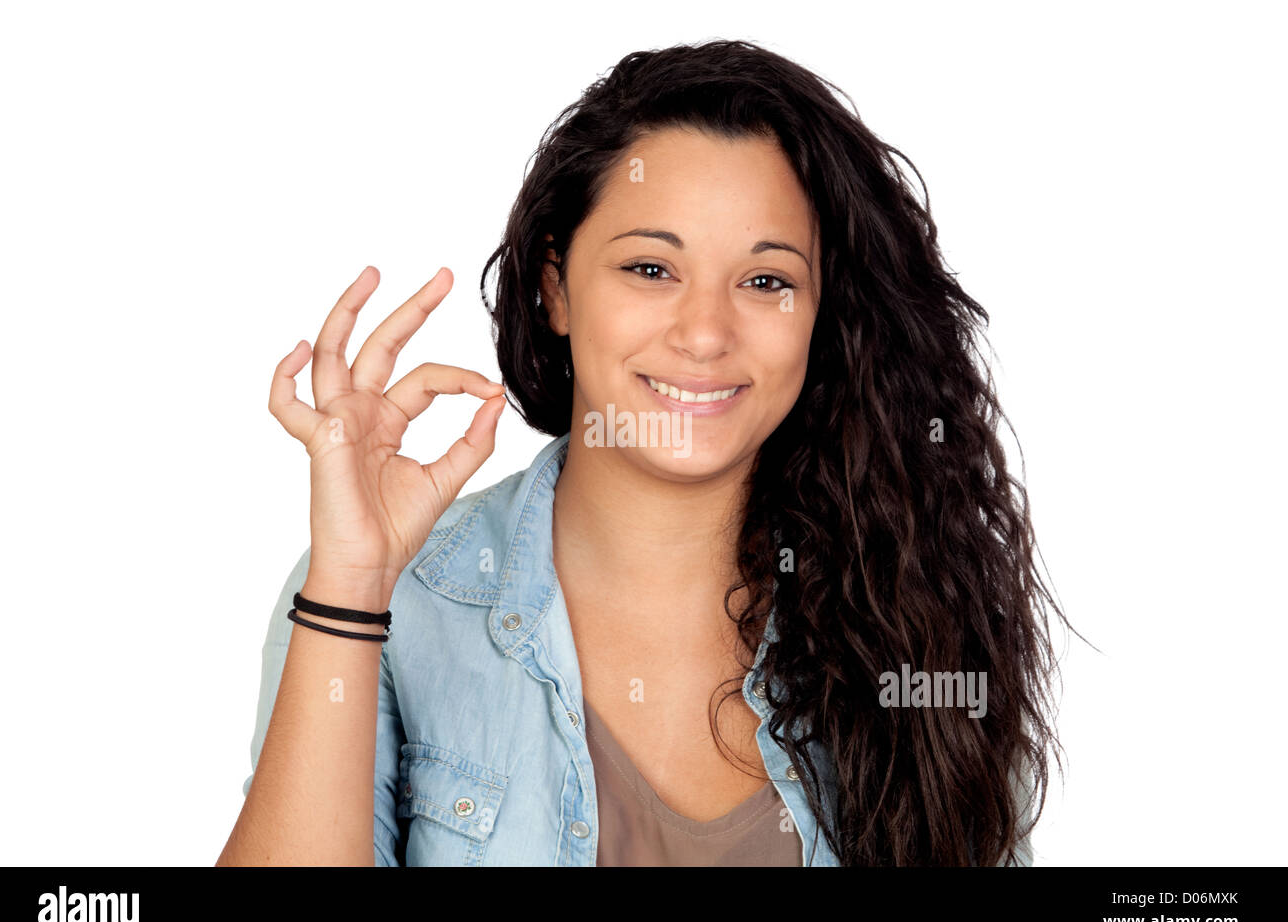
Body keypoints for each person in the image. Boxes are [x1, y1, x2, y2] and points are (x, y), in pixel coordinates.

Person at [217, 39, 1066, 867]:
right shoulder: (392, 599)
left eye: (766, 281)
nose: (704, 333)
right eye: (652, 269)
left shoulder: (917, 605)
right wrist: (353, 585)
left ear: (820, 314)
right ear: (554, 285)